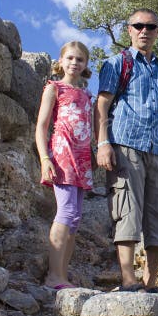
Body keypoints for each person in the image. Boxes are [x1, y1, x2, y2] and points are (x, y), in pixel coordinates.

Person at [95, 8, 158, 293]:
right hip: (125, 145)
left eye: (150, 27)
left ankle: (150, 283)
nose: (144, 31)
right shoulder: (116, 63)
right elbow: (101, 105)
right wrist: (102, 143)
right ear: (129, 30)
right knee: (127, 211)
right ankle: (128, 279)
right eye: (138, 26)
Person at [35, 41, 94, 290]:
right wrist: (44, 158)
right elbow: (41, 127)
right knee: (67, 212)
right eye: (70, 58)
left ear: (86, 64)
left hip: (82, 158)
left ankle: (63, 275)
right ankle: (53, 276)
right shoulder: (54, 88)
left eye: (80, 59)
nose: (74, 63)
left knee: (76, 217)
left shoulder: (87, 95)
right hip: (62, 155)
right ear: (60, 61)